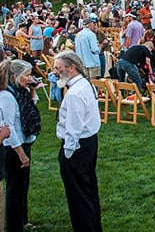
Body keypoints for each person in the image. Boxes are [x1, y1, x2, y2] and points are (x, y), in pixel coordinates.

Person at [53, 51, 103, 232]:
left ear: (71, 68)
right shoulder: (84, 83)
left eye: (59, 68)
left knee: (78, 195)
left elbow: (74, 126)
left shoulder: (75, 92)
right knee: (88, 189)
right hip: (89, 142)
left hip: (78, 146)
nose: (55, 72)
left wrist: (68, 152)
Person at [0, 60, 41, 232]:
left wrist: (32, 88)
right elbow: (8, 128)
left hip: (25, 141)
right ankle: (14, 225)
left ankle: (22, 219)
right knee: (15, 188)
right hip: (14, 147)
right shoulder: (8, 97)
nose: (29, 77)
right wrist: (21, 153)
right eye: (26, 75)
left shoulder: (20, 91)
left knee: (23, 185)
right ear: (15, 77)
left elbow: (31, 106)